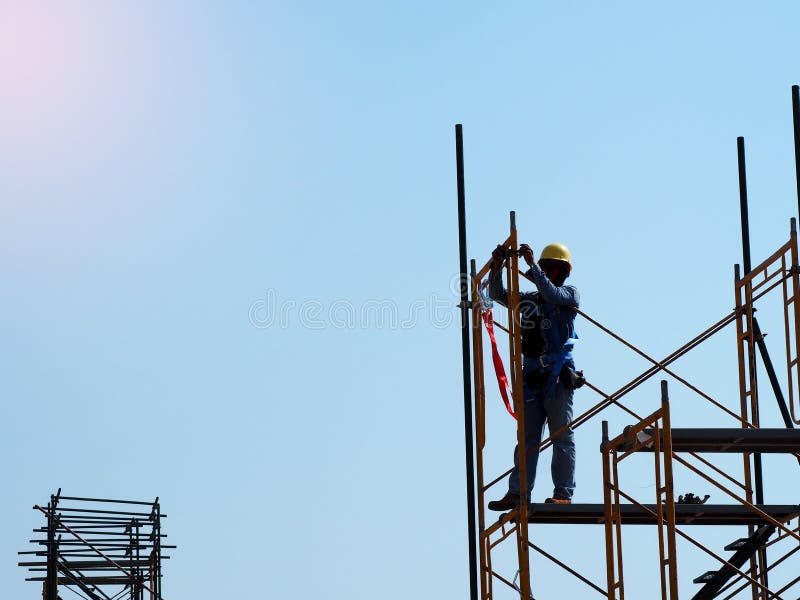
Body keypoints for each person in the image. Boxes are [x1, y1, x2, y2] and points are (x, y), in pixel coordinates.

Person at [487, 242, 580, 509]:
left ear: (563, 272)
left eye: (553, 268)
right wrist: (498, 266)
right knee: (527, 438)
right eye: (545, 267)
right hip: (531, 375)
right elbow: (497, 294)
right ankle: (518, 493)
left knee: (561, 435)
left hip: (557, 375)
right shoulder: (530, 300)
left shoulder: (568, 294)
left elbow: (551, 294)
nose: (548, 272)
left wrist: (531, 267)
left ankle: (563, 493)